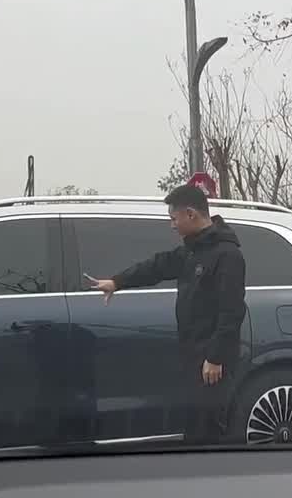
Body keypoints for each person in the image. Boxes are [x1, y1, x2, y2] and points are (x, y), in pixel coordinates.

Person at [85, 184, 247, 445]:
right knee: (195, 426)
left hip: (212, 362)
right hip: (192, 355)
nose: (172, 226)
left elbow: (232, 311)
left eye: (174, 219)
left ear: (191, 214)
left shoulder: (227, 255)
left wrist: (215, 357)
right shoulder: (193, 251)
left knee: (212, 428)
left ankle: (217, 478)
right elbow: (156, 267)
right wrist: (117, 282)